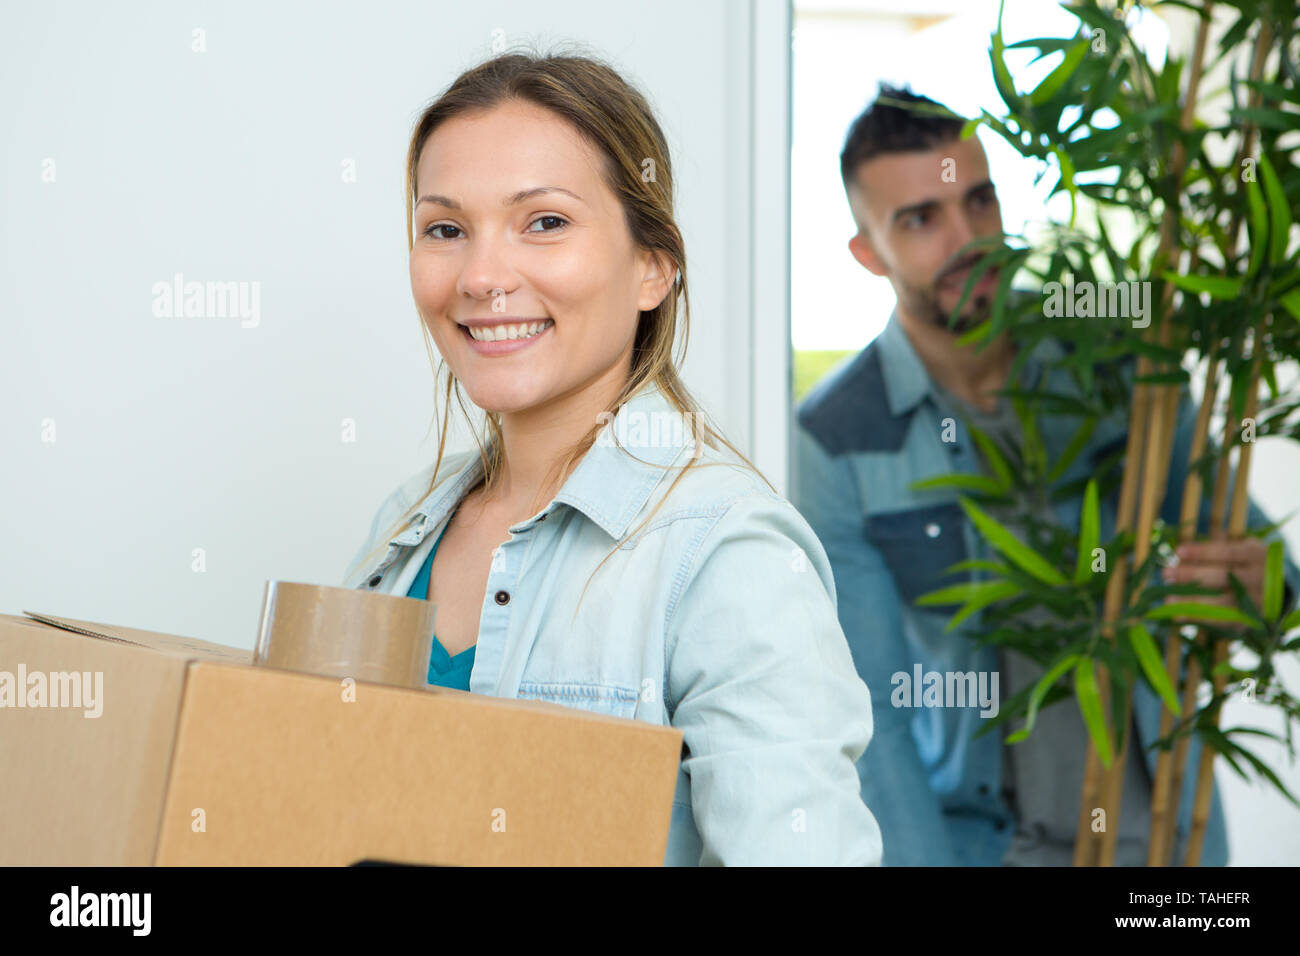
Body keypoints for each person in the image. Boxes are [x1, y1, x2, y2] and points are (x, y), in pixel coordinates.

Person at [342, 48, 882, 866]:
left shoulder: (727, 554)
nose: (482, 276)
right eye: (445, 229)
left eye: (545, 223)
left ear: (652, 269)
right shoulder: (402, 530)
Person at [792, 84, 1298, 866]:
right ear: (868, 252)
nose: (969, 239)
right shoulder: (833, 437)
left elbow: (1272, 574)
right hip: (981, 847)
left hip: (1161, 836)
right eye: (922, 219)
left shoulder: (1123, 367)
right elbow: (874, 717)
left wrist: (1261, 589)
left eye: (981, 202)